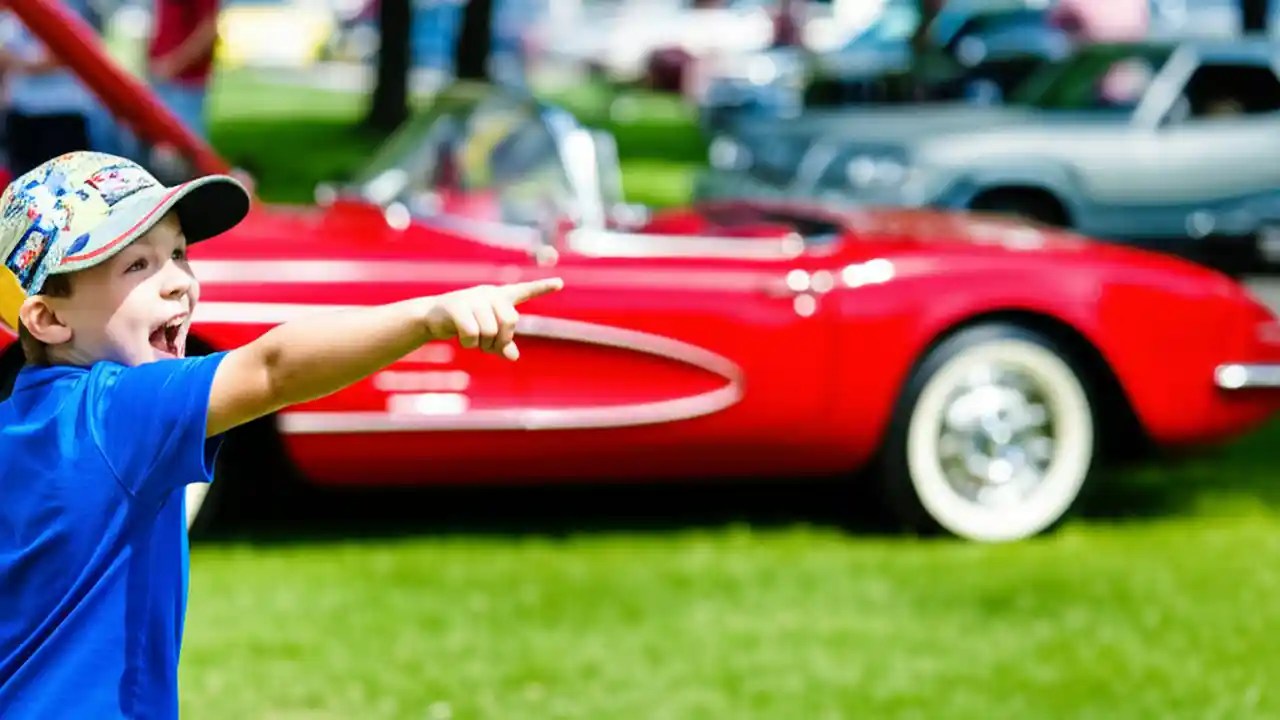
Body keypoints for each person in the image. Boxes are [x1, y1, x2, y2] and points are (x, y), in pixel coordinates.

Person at [0, 150, 562, 718]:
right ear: (46, 319)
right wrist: (427, 318)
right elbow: (273, 369)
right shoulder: (114, 413)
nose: (178, 283)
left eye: (177, 253)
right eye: (136, 267)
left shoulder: (18, 427)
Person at [0, 0, 114, 177]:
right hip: (21, 112)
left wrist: (20, 61)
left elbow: (70, 51)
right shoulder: (15, 8)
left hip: (64, 112)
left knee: (70, 185)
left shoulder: (76, 5)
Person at [148, 0, 221, 139]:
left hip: (185, 84)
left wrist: (173, 65)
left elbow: (209, 30)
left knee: (185, 149)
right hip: (163, 81)